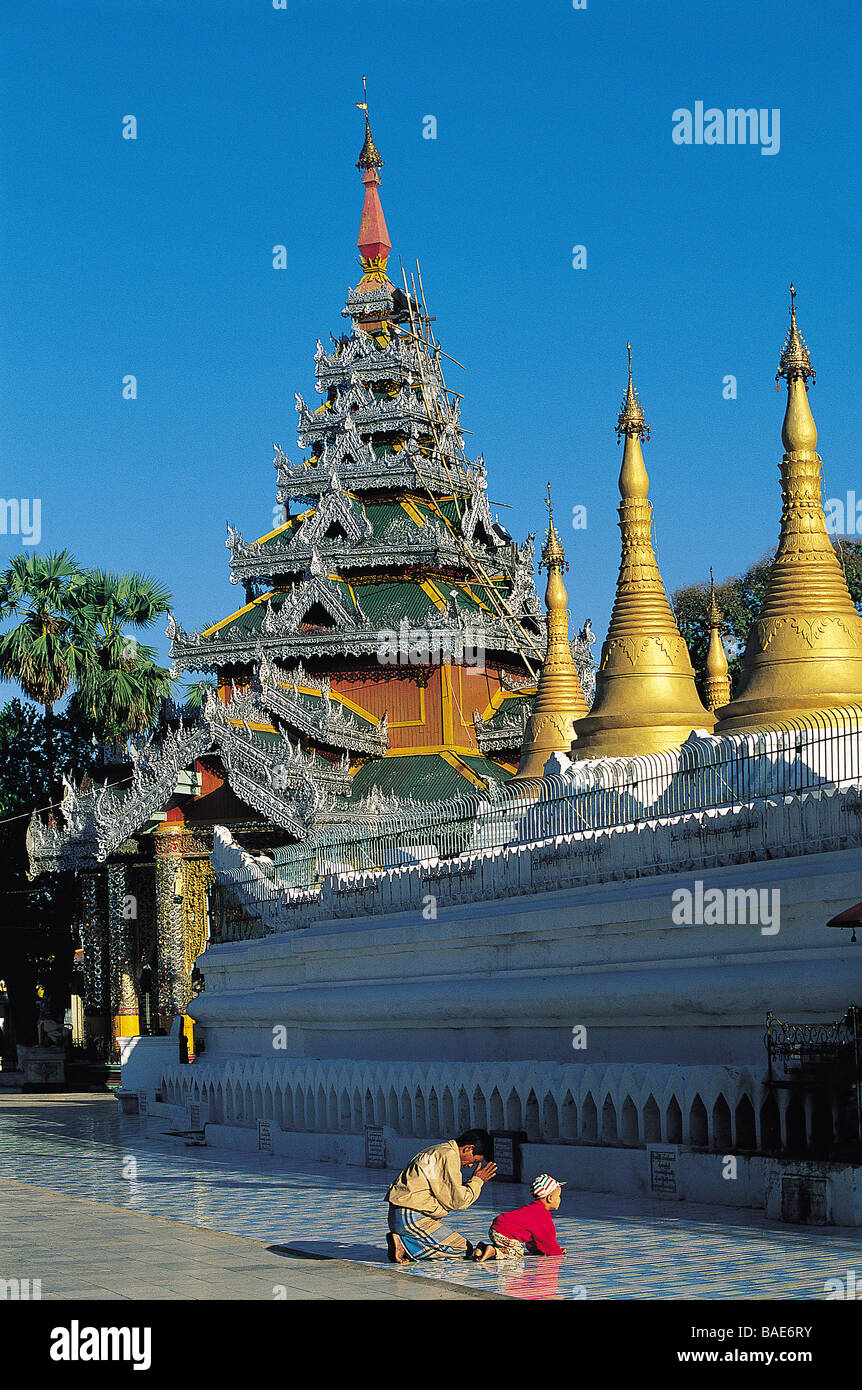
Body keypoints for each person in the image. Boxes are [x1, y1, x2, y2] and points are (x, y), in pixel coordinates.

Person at [385, 1129, 497, 1263]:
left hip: (402, 1215)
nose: (471, 1165)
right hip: (411, 1217)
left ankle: (404, 1245)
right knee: (463, 1249)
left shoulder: (439, 1150)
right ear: (468, 1148)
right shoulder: (448, 1155)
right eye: (475, 1160)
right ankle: (405, 1245)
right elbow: (457, 1201)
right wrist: (478, 1180)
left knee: (455, 1249)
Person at [472, 1173, 567, 1261]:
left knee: (509, 1245)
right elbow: (547, 1241)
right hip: (504, 1233)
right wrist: (556, 1252)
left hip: (497, 1228)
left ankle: (482, 1248)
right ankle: (493, 1251)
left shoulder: (533, 1208)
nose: (560, 1199)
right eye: (558, 1196)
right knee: (517, 1251)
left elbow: (533, 1239)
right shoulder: (543, 1217)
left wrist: (536, 1251)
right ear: (549, 1198)